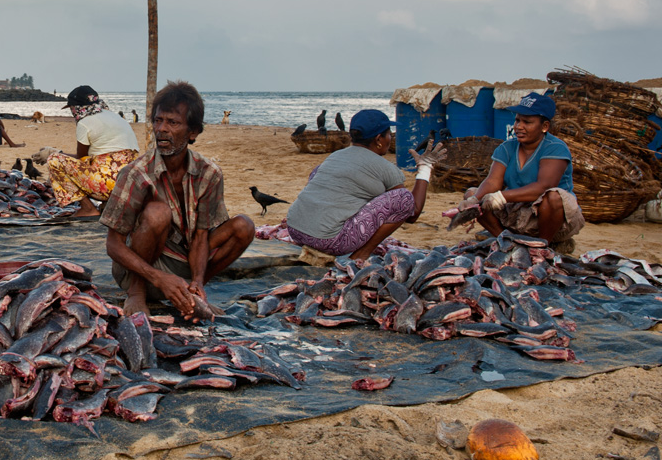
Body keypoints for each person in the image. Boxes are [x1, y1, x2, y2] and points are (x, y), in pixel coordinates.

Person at [101, 81, 255, 320]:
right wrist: (157, 278)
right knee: (158, 212)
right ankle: (137, 292)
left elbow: (201, 236)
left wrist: (198, 281)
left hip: (183, 260)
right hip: (139, 268)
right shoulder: (136, 173)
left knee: (243, 227)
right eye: (158, 120)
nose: (162, 129)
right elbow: (113, 244)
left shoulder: (209, 173)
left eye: (173, 123)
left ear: (192, 132)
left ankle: (192, 290)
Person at [285, 110, 447, 261]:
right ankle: (361, 254)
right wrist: (425, 168)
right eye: (388, 134)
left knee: (320, 172)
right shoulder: (386, 168)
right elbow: (412, 212)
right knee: (403, 198)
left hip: (295, 230)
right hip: (328, 241)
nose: (390, 137)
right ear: (378, 139)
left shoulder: (335, 156)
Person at [468, 93, 584, 246]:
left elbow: (544, 187)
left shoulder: (555, 148)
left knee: (554, 196)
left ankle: (543, 245)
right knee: (472, 193)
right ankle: (506, 241)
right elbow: (492, 181)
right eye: (517, 120)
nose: (518, 126)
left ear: (544, 127)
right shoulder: (507, 148)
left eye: (527, 122)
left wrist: (500, 197)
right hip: (516, 213)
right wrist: (473, 200)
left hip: (550, 218)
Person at [41, 85, 139, 217]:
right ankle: (109, 204)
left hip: (108, 185)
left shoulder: (85, 122)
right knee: (99, 164)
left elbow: (81, 157)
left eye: (71, 108)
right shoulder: (116, 117)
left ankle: (88, 208)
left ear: (76, 107)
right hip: (131, 186)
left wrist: (54, 153)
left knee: (54, 160)